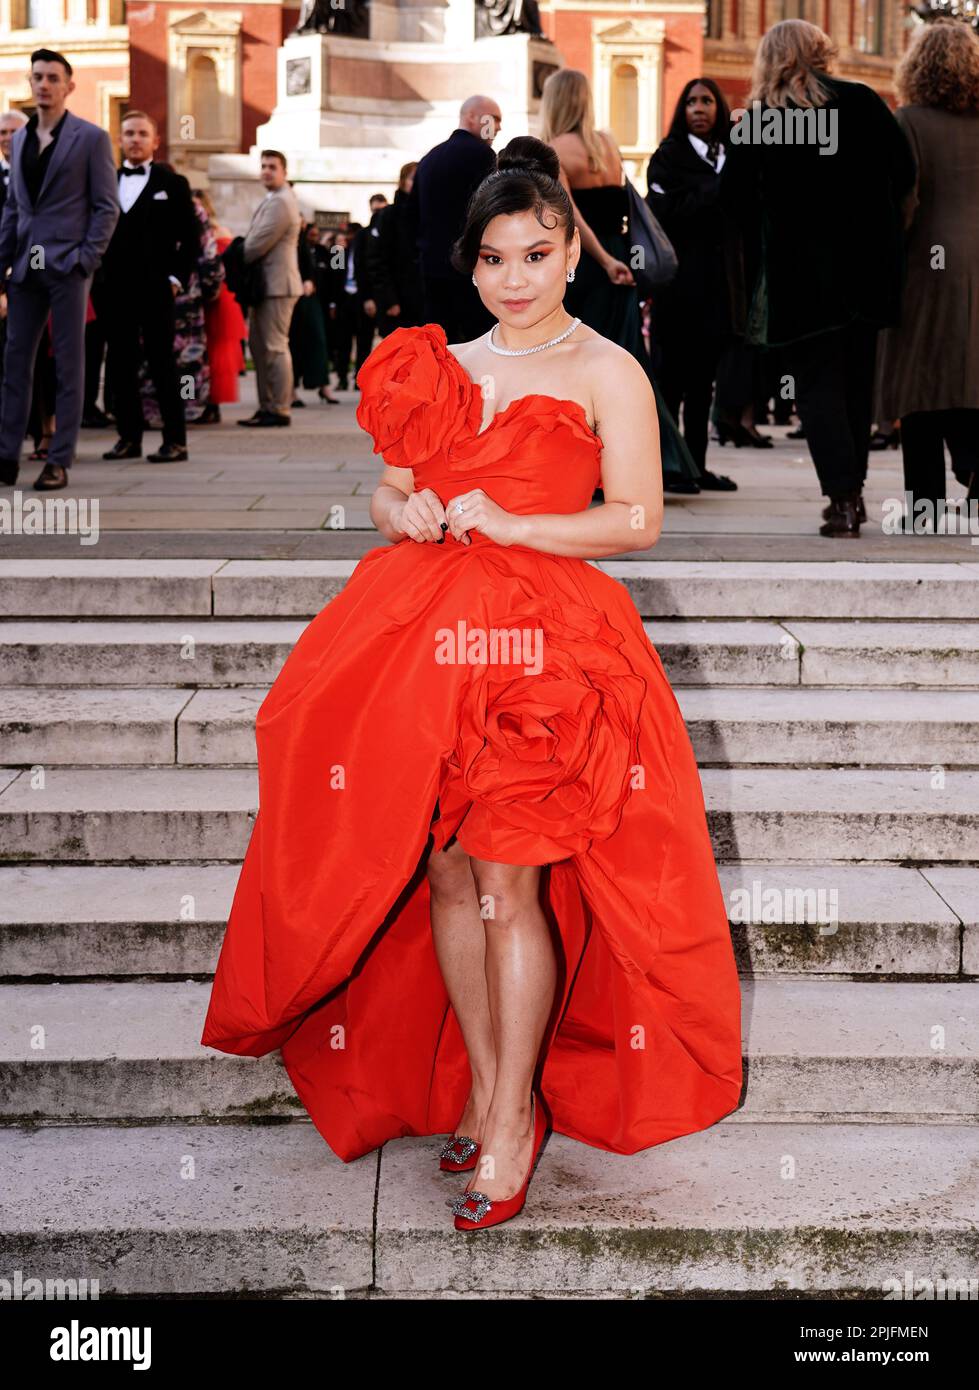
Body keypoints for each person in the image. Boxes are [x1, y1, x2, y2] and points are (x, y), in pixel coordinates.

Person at [201, 137, 743, 1232]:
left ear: (569, 255)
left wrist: (519, 524)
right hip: (420, 650)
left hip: (544, 656)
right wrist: (395, 510)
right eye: (493, 258)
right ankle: (492, 1090)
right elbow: (389, 488)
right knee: (449, 879)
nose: (514, 277)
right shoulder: (433, 364)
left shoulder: (606, 369)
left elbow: (636, 518)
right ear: (470, 263)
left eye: (536, 254)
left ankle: (511, 1123)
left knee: (508, 882)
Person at [720, 19, 916, 536]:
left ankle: (843, 497)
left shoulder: (762, 119)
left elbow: (734, 202)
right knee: (857, 385)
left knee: (817, 388)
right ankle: (851, 493)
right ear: (820, 51)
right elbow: (904, 173)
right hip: (868, 272)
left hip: (798, 278)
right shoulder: (865, 102)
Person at [540, 68, 702, 494]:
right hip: (621, 270)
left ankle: (590, 471)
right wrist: (618, 260)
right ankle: (659, 462)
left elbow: (570, 218)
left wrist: (605, 260)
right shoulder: (607, 145)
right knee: (630, 367)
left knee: (579, 369)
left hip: (589, 267)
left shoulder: (553, 151)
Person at [0, 49, 119, 490]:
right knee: (15, 363)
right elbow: (14, 208)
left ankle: (59, 459)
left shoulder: (90, 138)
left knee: (69, 365)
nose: (44, 84)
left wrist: (85, 259)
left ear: (69, 86)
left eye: (52, 77)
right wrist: (2, 266)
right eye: (37, 77)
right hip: (24, 269)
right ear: (29, 83)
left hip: (68, 267)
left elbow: (106, 208)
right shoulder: (19, 140)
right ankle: (6, 455)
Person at [876, 17, 979, 521]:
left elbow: (905, 202)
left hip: (927, 265)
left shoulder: (910, 119)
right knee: (971, 376)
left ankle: (926, 505)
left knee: (918, 381)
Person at [647, 78, 740, 490]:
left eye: (706, 101)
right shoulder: (668, 156)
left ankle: (697, 465)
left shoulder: (733, 156)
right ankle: (668, 466)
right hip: (679, 287)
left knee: (705, 381)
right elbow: (666, 212)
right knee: (672, 382)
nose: (699, 109)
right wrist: (717, 190)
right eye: (691, 102)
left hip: (721, 286)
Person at [99, 111, 199, 464]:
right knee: (121, 364)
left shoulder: (173, 184)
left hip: (157, 290)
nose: (135, 139)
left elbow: (190, 239)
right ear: (121, 139)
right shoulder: (106, 181)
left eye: (143, 133)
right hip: (114, 291)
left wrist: (175, 280)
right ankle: (129, 437)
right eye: (129, 133)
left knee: (162, 364)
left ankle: (175, 440)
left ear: (155, 141)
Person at [405, 94, 500, 341]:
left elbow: (412, 219)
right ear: (470, 117)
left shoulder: (428, 159)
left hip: (432, 275)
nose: (499, 127)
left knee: (441, 350)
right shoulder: (484, 157)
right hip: (471, 275)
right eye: (494, 119)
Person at [238, 149, 302, 427]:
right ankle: (267, 406)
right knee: (261, 348)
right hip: (267, 285)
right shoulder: (273, 198)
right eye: (263, 166)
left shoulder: (282, 201)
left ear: (284, 172)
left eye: (272, 166)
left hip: (278, 285)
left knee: (274, 348)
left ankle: (279, 408)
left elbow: (256, 244)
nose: (266, 171)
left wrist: (233, 254)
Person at [196, 188, 247, 423]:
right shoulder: (217, 230)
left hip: (219, 298)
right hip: (206, 297)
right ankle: (195, 401)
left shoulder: (217, 232)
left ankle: (212, 404)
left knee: (215, 355)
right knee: (198, 355)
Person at [366, 161, 424, 336]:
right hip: (397, 304)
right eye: (413, 178)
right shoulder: (388, 216)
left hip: (422, 303)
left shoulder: (426, 213)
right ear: (402, 181)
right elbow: (375, 260)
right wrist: (389, 300)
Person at [0, 111, 27, 406]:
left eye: (13, 132)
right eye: (2, 132)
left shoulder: (42, 174)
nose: (7, 138)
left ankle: (43, 431)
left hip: (32, 276)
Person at [288, 219, 330, 405]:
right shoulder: (295, 247)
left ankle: (325, 385)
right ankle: (291, 389)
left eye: (316, 234)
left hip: (324, 302)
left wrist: (339, 250)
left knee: (321, 343)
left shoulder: (323, 251)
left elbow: (337, 271)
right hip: (297, 299)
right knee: (295, 344)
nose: (314, 237)